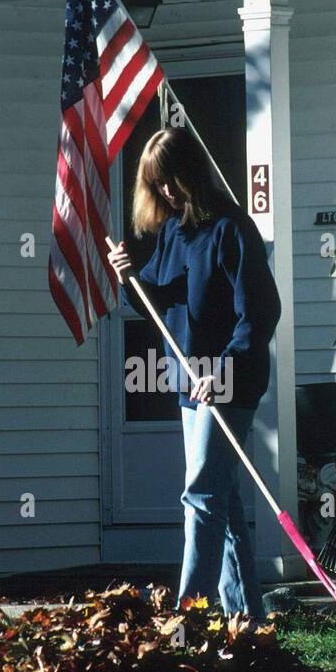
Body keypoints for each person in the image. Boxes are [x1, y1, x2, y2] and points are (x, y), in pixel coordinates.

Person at [107, 125, 281, 619]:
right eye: (156, 184)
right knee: (219, 501)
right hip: (189, 385)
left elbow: (262, 312)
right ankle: (247, 617)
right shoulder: (172, 233)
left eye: (171, 179)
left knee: (200, 496)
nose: (165, 191)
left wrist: (223, 369)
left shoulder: (231, 228)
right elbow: (162, 304)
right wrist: (129, 279)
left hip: (229, 382)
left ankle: (189, 619)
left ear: (191, 173)